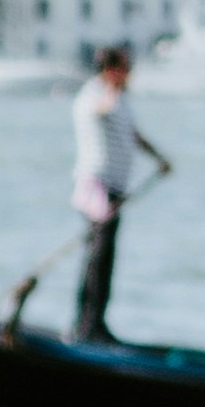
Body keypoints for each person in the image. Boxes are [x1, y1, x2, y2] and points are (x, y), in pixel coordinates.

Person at [70, 41, 160, 343]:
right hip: (97, 187)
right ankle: (86, 326)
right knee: (98, 257)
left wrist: (159, 159)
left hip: (115, 188)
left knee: (105, 257)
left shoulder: (119, 99)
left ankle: (96, 323)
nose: (130, 74)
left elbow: (132, 135)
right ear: (111, 71)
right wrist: (111, 87)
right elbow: (100, 111)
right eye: (125, 68)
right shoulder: (94, 95)